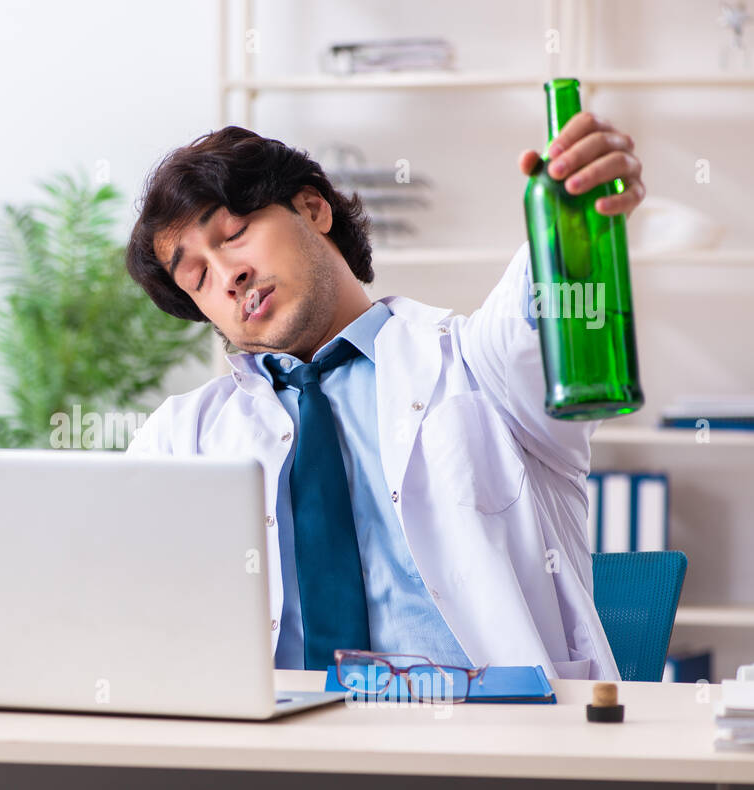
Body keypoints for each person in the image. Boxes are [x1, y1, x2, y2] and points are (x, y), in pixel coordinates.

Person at [124, 116, 646, 680]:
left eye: (234, 233)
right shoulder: (180, 438)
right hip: (274, 754)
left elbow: (549, 286)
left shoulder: (480, 362)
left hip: (485, 748)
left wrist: (579, 209)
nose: (229, 275)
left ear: (313, 209)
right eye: (197, 277)